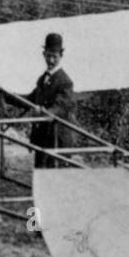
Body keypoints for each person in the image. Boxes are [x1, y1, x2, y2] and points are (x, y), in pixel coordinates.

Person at [17, 32, 75, 168]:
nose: (51, 60)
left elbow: (60, 106)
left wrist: (46, 112)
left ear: (61, 56)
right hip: (43, 138)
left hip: (57, 140)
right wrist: (4, 93)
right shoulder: (43, 79)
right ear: (44, 54)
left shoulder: (65, 82)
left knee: (55, 180)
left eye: (54, 56)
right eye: (48, 56)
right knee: (41, 175)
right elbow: (29, 99)